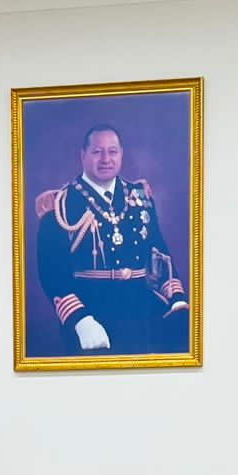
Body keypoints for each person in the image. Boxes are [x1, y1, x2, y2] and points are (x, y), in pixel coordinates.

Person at [34, 126, 189, 359]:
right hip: (92, 315)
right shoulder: (61, 204)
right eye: (97, 152)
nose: (106, 159)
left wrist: (176, 297)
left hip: (141, 314)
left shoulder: (140, 197)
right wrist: (79, 319)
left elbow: (158, 252)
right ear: (83, 155)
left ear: (121, 155)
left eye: (112, 151)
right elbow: (51, 271)